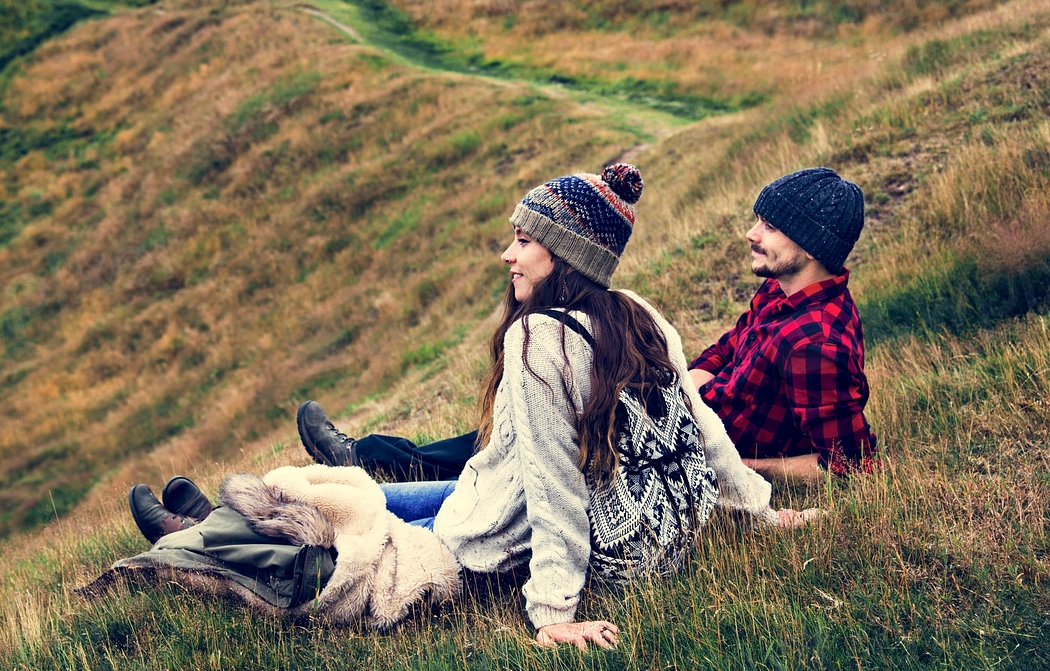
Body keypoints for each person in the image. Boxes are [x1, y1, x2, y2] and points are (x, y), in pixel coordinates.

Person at [130, 164, 784, 650]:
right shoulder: (637, 313)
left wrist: (553, 614)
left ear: (564, 254)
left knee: (351, 537)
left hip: (496, 535)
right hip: (523, 505)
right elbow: (704, 430)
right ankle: (217, 521)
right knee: (353, 490)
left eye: (525, 240)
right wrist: (756, 511)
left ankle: (194, 540)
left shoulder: (540, 338)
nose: (508, 253)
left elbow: (555, 486)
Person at [299, 166, 876, 484]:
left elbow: (848, 464)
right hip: (678, 418)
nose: (752, 232)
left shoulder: (817, 342)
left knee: (537, 434)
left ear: (810, 244)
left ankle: (372, 464)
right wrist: (686, 386)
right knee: (537, 416)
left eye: (770, 226)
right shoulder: (782, 294)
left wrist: (731, 466)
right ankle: (378, 461)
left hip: (679, 454)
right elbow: (725, 351)